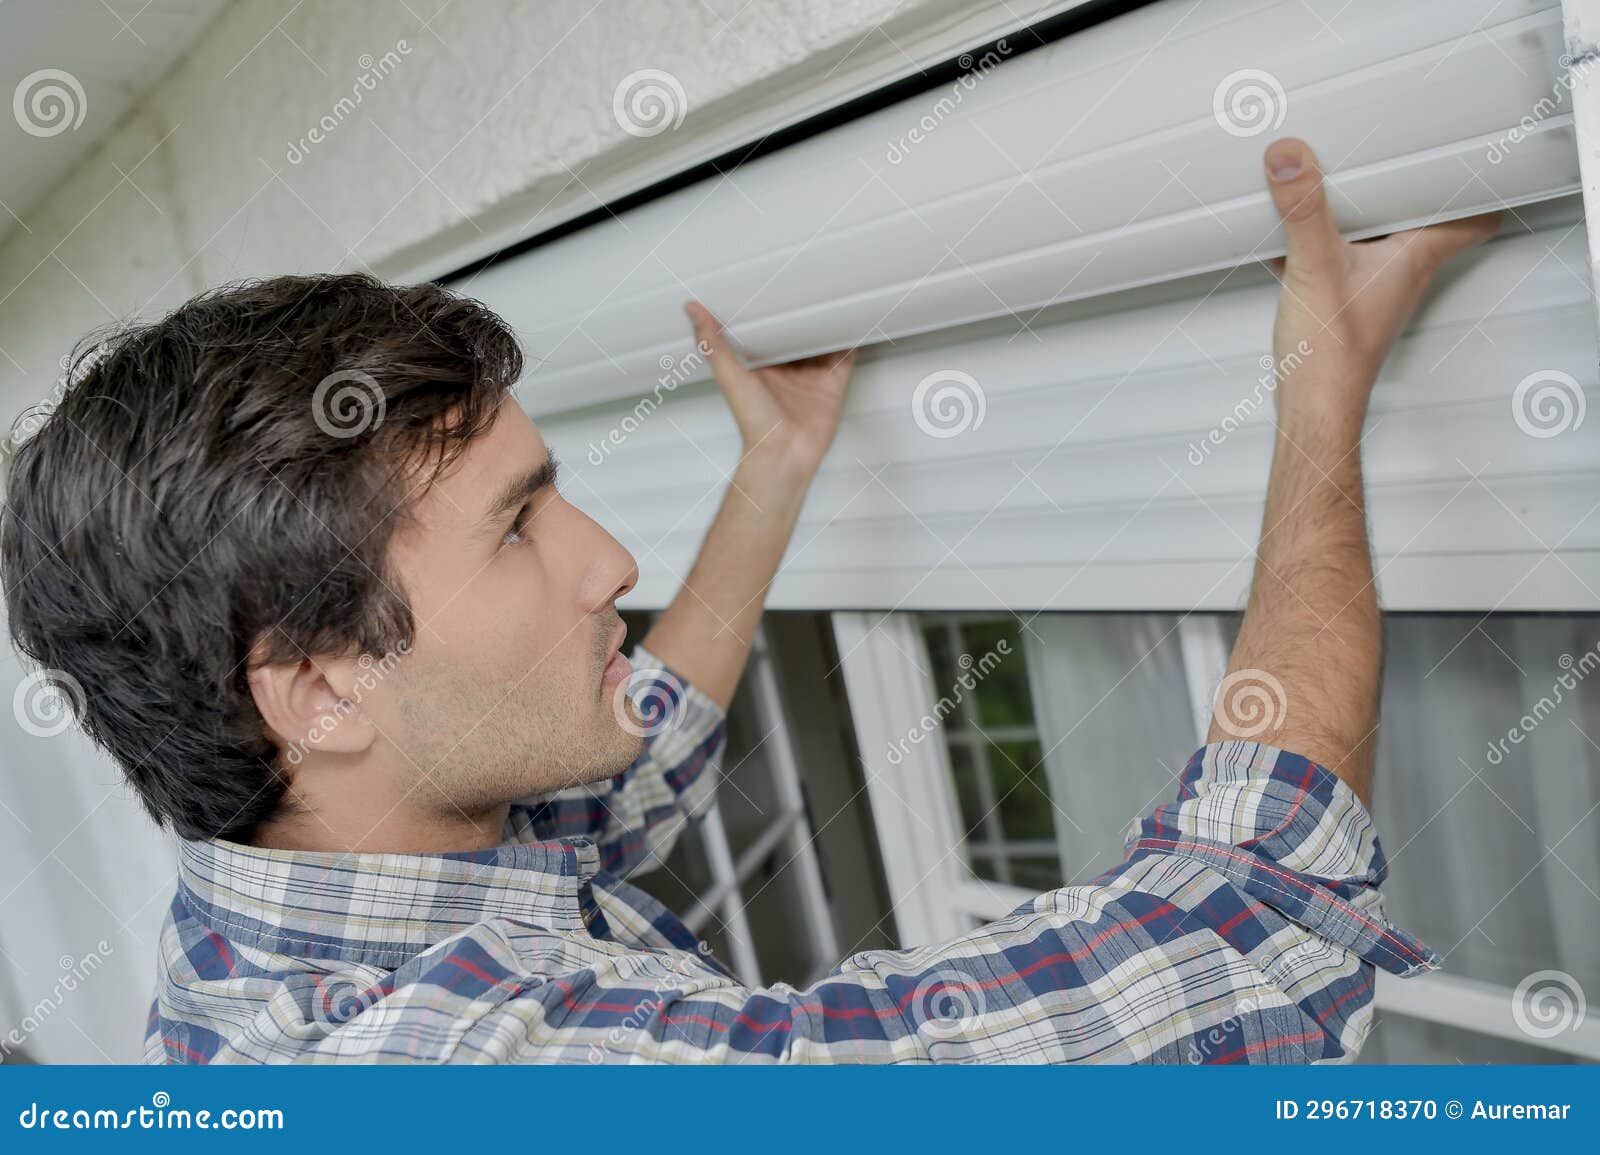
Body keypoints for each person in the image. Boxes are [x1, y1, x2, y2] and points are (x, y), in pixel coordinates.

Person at [0, 139, 1497, 1064]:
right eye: (519, 529)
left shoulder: (291, 876)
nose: (609, 565)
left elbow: (613, 782)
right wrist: (1319, 391)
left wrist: (774, 468)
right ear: (318, 685)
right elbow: (1241, 939)